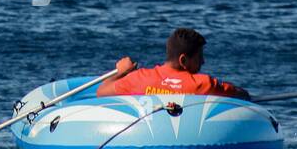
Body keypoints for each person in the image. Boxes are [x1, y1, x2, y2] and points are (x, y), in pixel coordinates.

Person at [96, 27, 250, 99]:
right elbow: (243, 95)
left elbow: (101, 92)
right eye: (199, 56)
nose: (203, 61)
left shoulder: (138, 78)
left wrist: (121, 72)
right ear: (183, 60)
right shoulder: (203, 84)